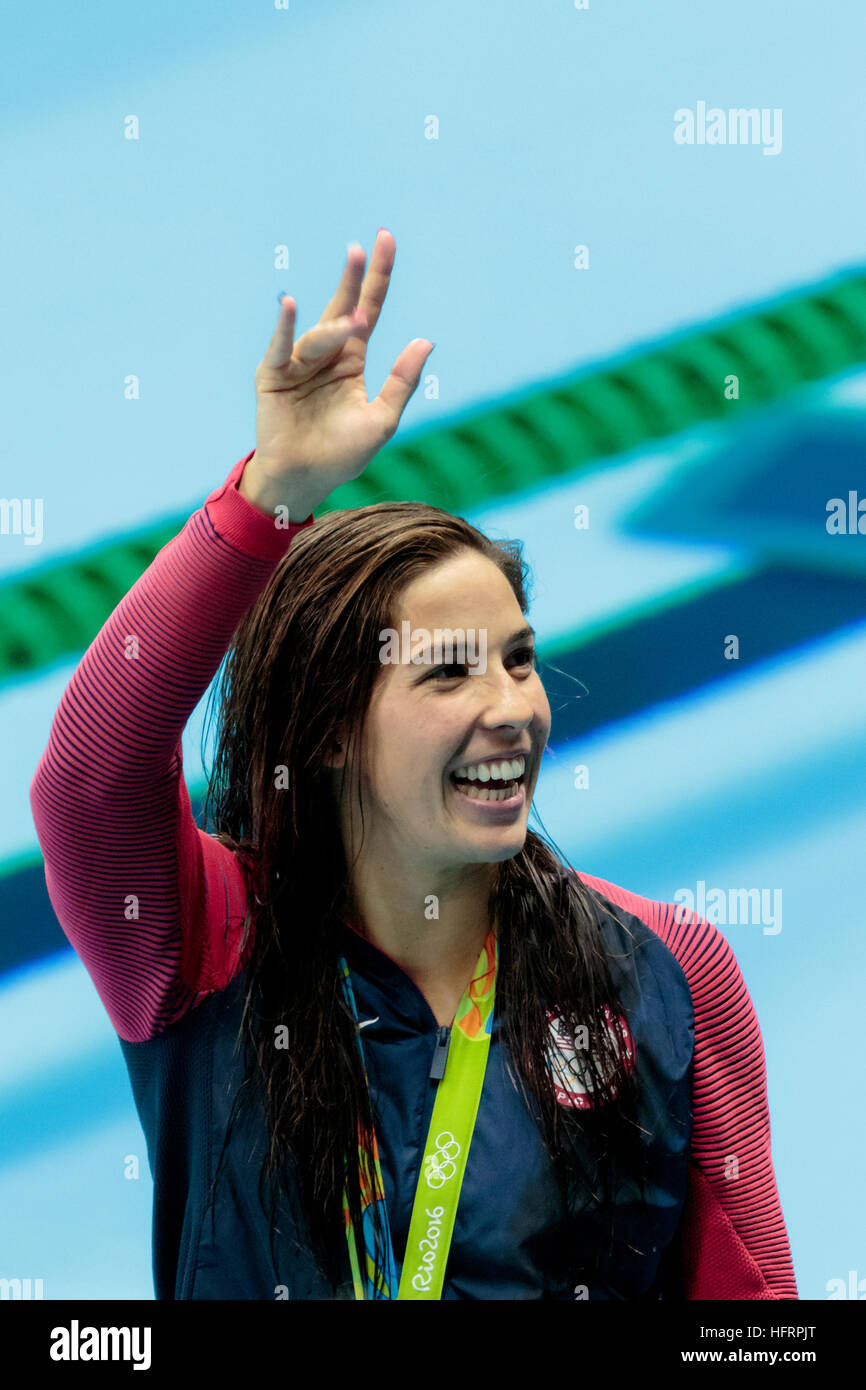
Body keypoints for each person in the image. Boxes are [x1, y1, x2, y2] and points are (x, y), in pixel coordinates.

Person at [30, 230, 798, 1301]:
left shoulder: (662, 972)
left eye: (517, 659)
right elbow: (90, 777)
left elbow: (748, 1311)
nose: (509, 710)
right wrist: (266, 499)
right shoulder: (207, 945)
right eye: (446, 675)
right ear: (332, 726)